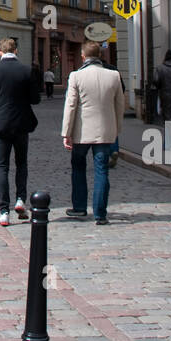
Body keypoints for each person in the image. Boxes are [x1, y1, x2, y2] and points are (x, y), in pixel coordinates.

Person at [61, 39, 124, 225]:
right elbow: (119, 105)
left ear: (83, 56)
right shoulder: (114, 76)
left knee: (78, 169)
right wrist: (116, 129)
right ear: (100, 55)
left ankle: (80, 207)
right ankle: (100, 213)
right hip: (105, 132)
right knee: (102, 171)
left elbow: (70, 106)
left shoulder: (76, 76)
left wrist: (66, 132)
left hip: (81, 132)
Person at [0, 37, 41, 226]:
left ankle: (4, 211)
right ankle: (20, 200)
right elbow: (35, 99)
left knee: (2, 167)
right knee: (21, 163)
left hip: (0, 123)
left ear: (0, 51)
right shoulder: (26, 70)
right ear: (16, 51)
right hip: (21, 123)